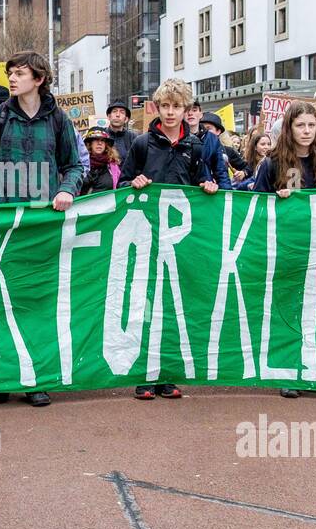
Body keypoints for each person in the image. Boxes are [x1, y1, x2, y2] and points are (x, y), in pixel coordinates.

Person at [0, 52, 83, 408]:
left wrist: (67, 189)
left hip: (42, 225)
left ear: (39, 79)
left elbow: (74, 166)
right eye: (10, 73)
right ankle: (3, 377)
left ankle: (36, 378)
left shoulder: (58, 119)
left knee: (38, 300)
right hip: (4, 224)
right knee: (2, 300)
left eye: (20, 73)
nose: (12, 79)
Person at [119, 78, 224, 401]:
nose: (170, 112)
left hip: (180, 239)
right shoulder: (141, 143)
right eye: (165, 106)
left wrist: (208, 185)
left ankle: (168, 374)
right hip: (146, 236)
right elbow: (122, 182)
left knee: (176, 305)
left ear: (186, 110)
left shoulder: (195, 146)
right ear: (156, 107)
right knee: (145, 304)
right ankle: (143, 374)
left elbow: (203, 179)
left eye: (176, 106)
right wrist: (132, 182)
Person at [253, 101, 316, 399]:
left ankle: (312, 368)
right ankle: (286, 370)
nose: (306, 131)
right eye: (300, 125)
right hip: (286, 249)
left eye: (311, 125)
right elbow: (255, 207)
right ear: (289, 128)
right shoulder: (273, 164)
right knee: (288, 309)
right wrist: (275, 200)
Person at [80, 125, 122, 195]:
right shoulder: (79, 164)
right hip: (82, 205)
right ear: (90, 143)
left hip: (107, 205)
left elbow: (119, 185)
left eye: (103, 140)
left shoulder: (113, 165)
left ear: (106, 145)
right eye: (96, 139)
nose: (100, 143)